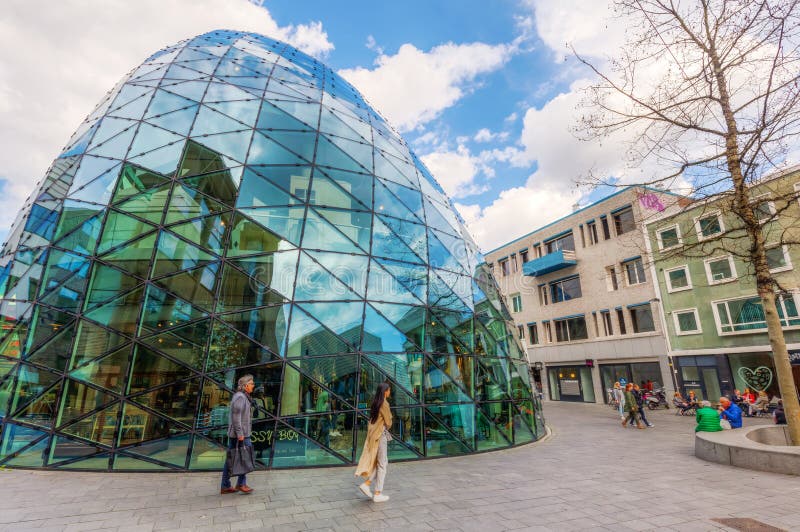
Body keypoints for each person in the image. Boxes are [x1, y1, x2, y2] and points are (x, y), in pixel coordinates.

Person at [355, 383, 393, 502]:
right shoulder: (384, 404)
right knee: (382, 464)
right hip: (380, 436)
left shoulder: (375, 403)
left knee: (382, 463)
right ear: (385, 391)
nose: (390, 392)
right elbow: (388, 422)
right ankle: (377, 493)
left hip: (373, 436)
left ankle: (367, 484)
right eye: (389, 390)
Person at [221, 374, 255, 494]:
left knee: (232, 459)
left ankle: (226, 485)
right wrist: (240, 434)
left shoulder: (244, 396)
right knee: (244, 457)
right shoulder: (240, 397)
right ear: (245, 385)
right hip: (240, 435)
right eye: (251, 384)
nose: (253, 386)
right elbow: (236, 417)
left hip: (241, 433)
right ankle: (240, 484)